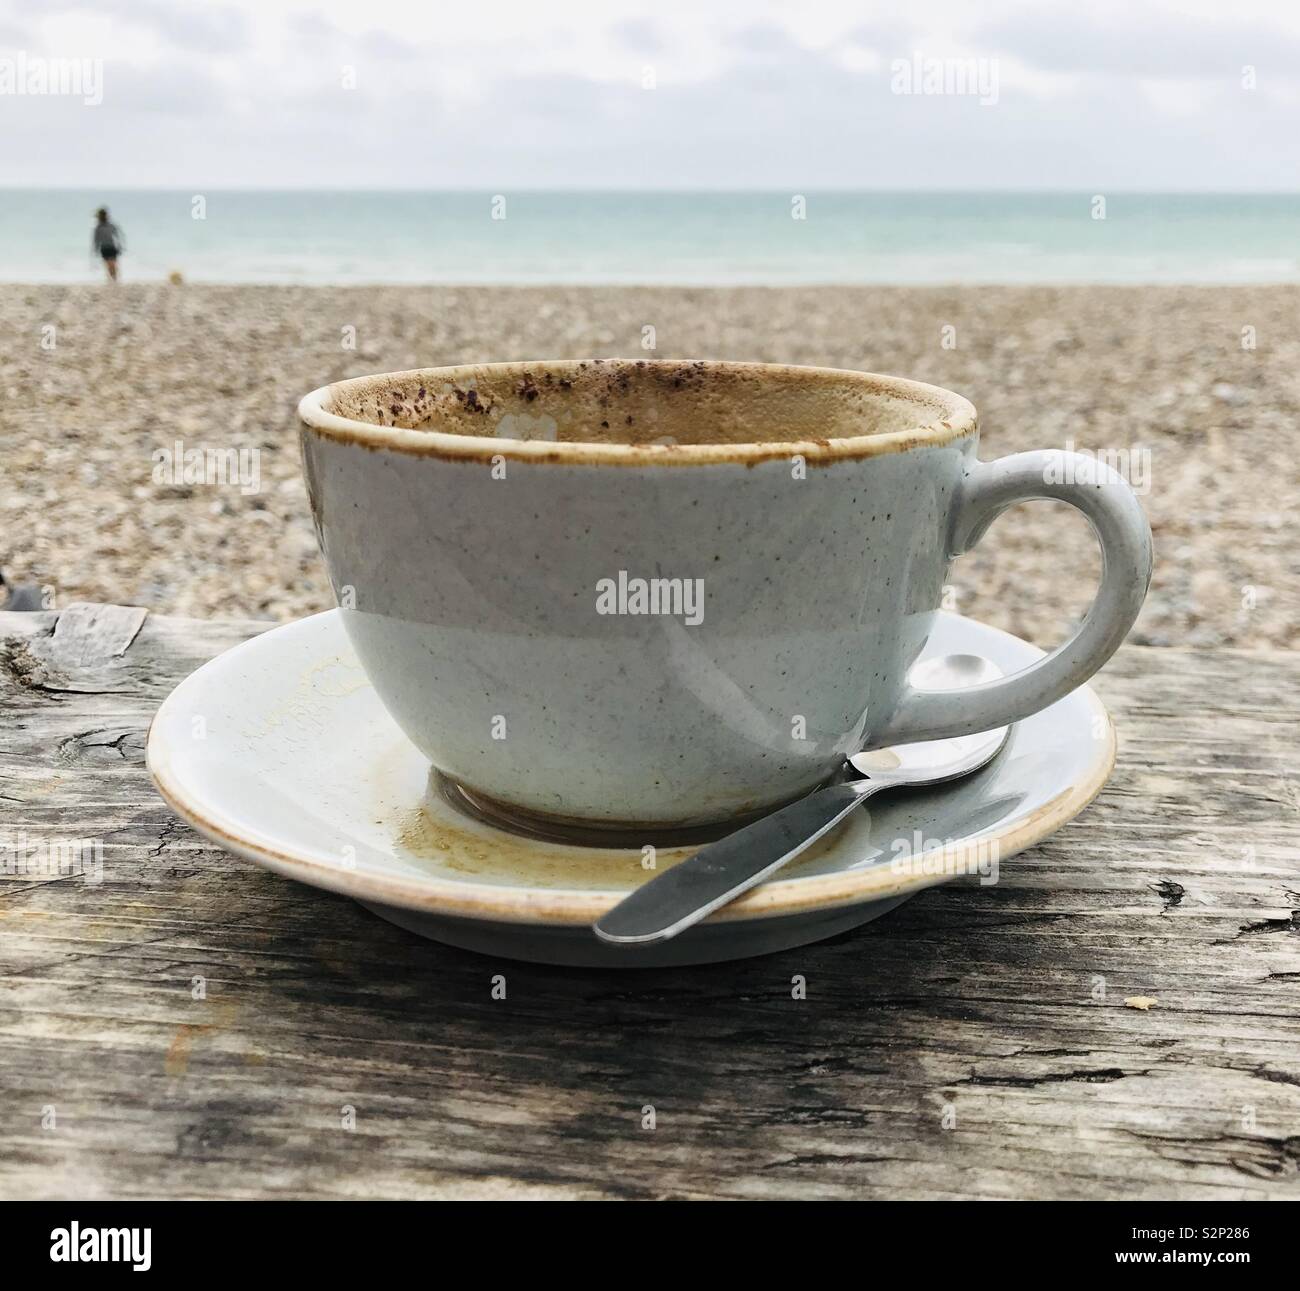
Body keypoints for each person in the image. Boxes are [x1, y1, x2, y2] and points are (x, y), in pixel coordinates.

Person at [92, 207, 124, 281]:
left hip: (109, 247)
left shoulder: (103, 226)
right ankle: (113, 278)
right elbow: (96, 240)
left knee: (111, 264)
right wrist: (96, 249)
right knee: (110, 264)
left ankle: (114, 278)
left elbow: (117, 235)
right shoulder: (99, 227)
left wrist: (119, 245)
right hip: (106, 247)